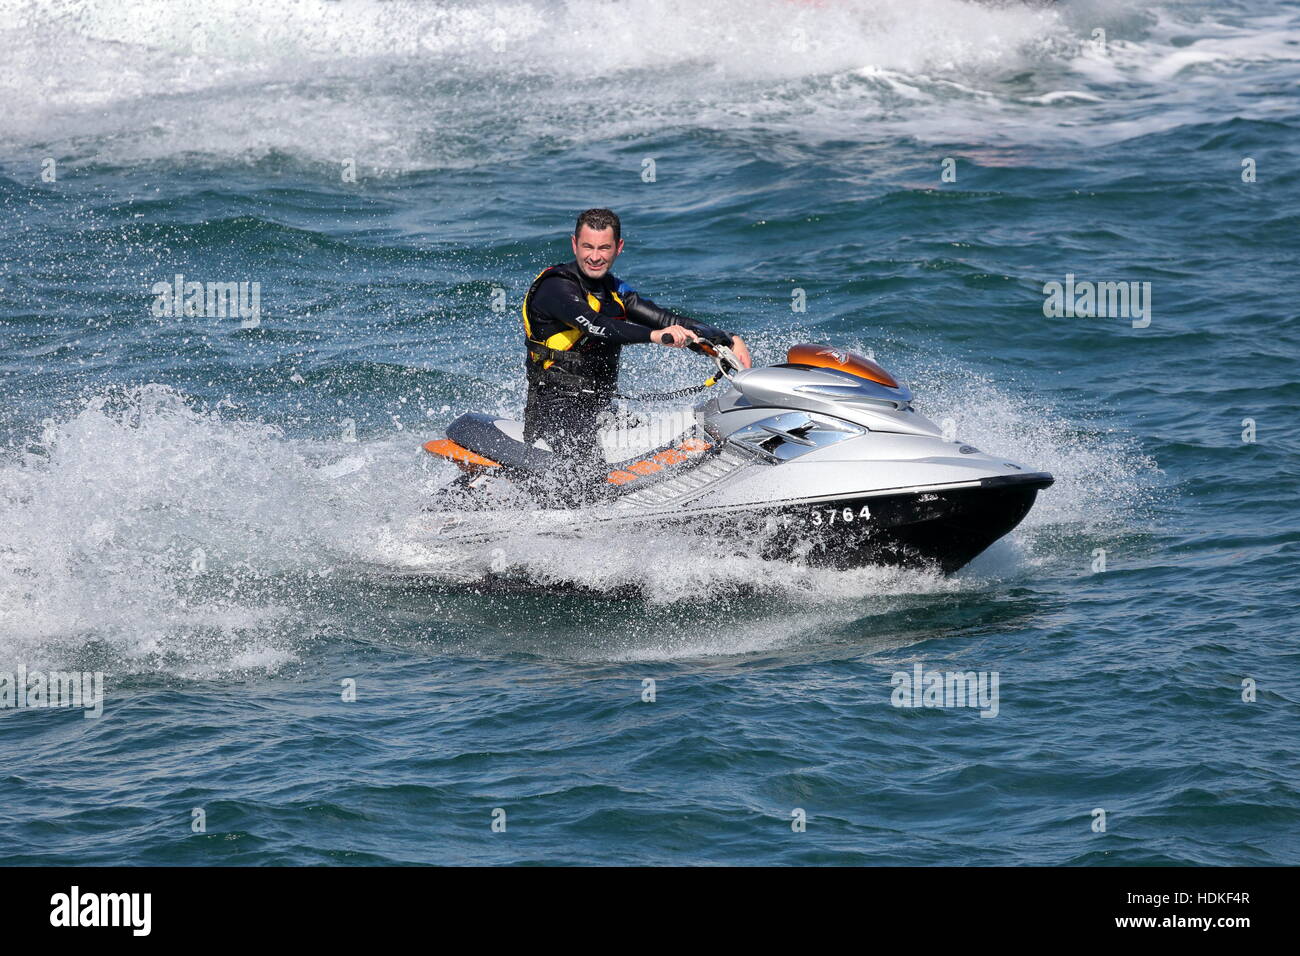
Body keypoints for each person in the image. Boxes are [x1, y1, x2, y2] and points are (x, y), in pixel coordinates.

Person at [520, 208, 751, 488]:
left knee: (661, 446)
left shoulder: (614, 291)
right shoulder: (555, 287)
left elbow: (668, 320)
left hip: (599, 406)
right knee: (590, 480)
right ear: (574, 244)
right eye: (587, 247)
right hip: (556, 409)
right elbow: (596, 325)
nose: (595, 256)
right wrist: (655, 336)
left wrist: (725, 339)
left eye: (604, 248)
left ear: (618, 247)